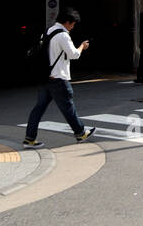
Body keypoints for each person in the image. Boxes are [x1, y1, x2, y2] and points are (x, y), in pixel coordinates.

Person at [22, 9, 96, 147]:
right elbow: (74, 54)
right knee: (68, 107)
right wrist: (82, 46)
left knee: (38, 109)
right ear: (67, 22)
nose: (73, 27)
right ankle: (80, 133)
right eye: (72, 24)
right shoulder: (63, 35)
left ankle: (29, 138)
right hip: (58, 78)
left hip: (45, 77)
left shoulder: (48, 31)